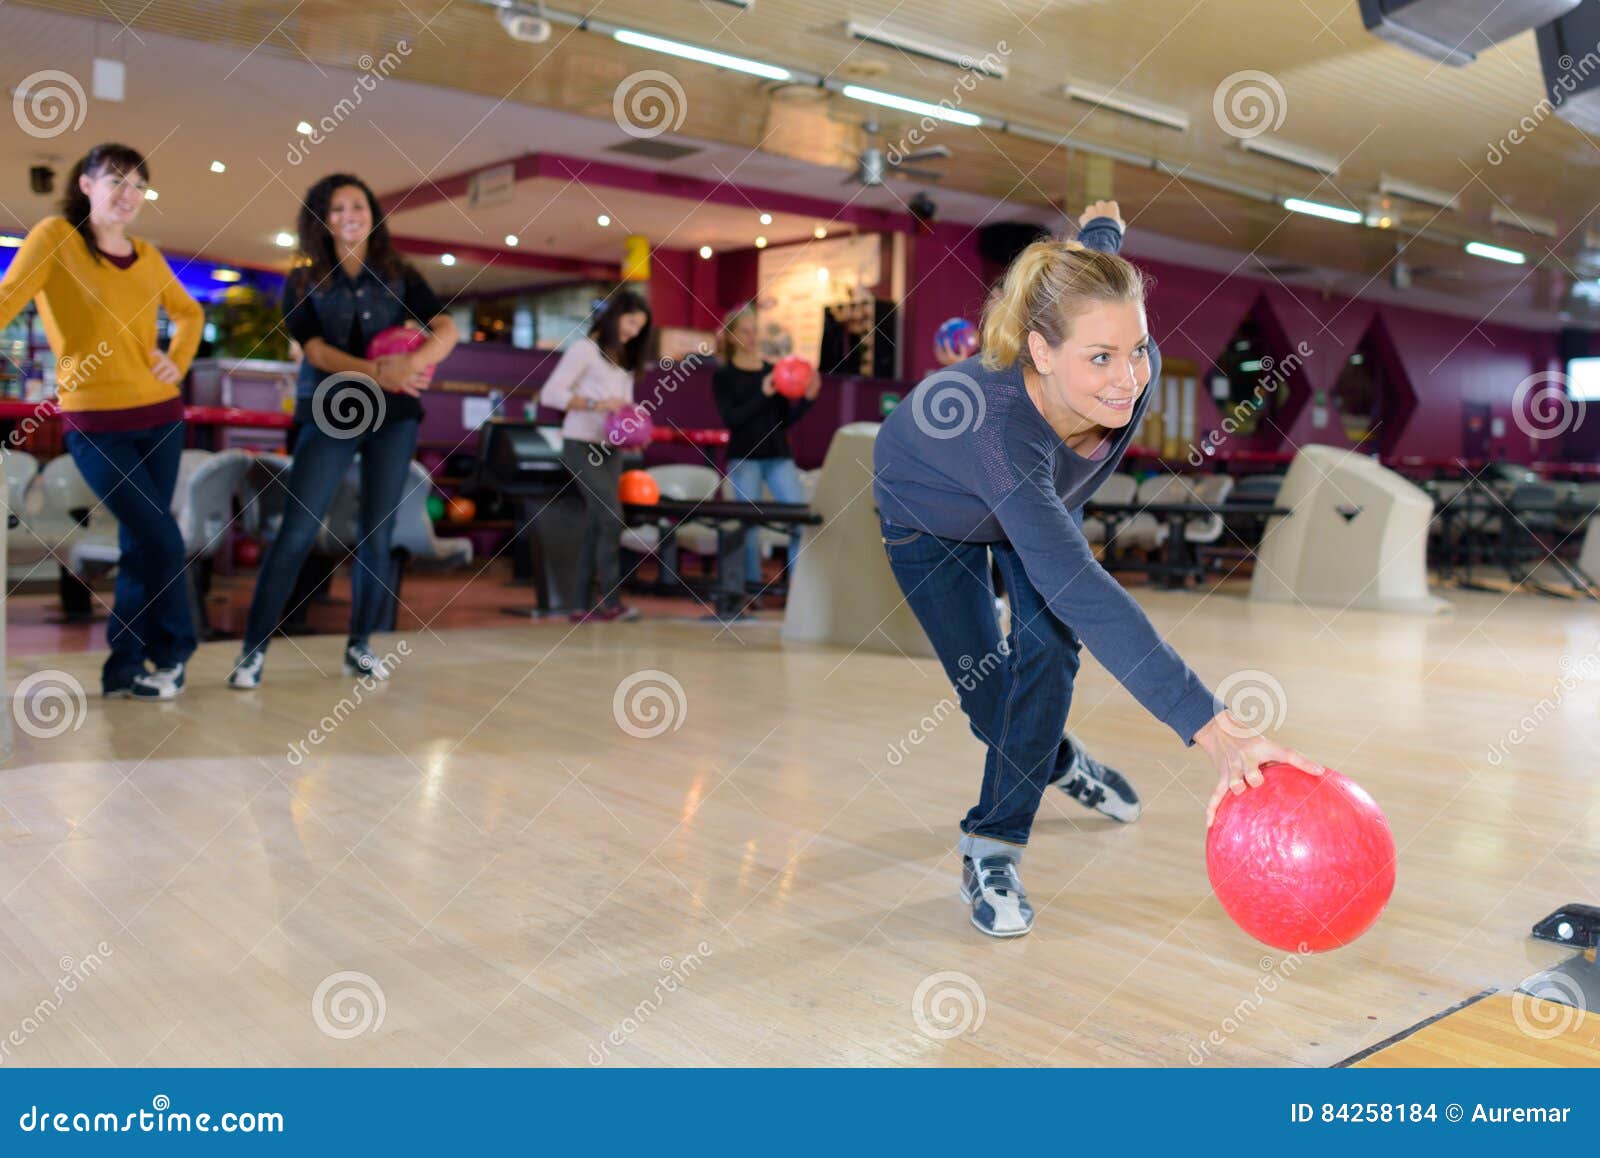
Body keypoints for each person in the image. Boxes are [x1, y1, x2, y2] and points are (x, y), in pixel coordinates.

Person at [872, 201, 1325, 938]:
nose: (1128, 380)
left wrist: (1100, 236)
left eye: (1138, 349)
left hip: (1037, 498)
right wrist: (1214, 729)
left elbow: (1091, 281)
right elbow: (1079, 586)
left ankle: (991, 845)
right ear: (1040, 352)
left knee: (1049, 654)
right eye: (1102, 359)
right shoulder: (997, 428)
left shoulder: (1113, 360)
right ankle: (1057, 762)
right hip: (928, 510)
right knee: (993, 700)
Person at [228, 174, 457, 689]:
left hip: (394, 417)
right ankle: (252, 652)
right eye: (336, 208)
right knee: (298, 531)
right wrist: (380, 372)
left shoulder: (400, 275)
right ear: (321, 219)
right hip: (330, 409)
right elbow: (317, 353)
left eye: (358, 204)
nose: (349, 215)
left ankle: (360, 647)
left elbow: (448, 328)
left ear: (373, 213)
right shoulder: (304, 281)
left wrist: (416, 361)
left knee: (378, 533)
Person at [0, 143, 203, 700]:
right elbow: (8, 297)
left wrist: (177, 360)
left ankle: (123, 668)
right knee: (161, 536)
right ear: (85, 184)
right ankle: (173, 652)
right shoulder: (55, 238)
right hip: (94, 421)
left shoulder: (148, 254)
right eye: (115, 179)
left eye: (138, 185)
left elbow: (190, 313)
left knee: (144, 541)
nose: (127, 193)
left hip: (161, 415)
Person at [539, 291, 652, 623]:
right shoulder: (584, 350)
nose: (633, 331)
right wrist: (595, 405)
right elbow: (551, 393)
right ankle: (612, 601)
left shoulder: (626, 360)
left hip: (611, 449)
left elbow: (625, 406)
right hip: (580, 445)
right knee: (612, 516)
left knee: (596, 522)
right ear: (615, 316)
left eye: (639, 327)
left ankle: (579, 604)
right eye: (631, 322)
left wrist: (635, 435)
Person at [711, 305, 819, 588]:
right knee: (749, 526)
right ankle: (749, 587)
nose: (751, 336)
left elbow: (785, 420)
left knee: (801, 518)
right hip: (744, 458)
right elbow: (732, 419)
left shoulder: (775, 371)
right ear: (732, 337)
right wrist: (762, 393)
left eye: (754, 330)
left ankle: (798, 590)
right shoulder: (724, 375)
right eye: (744, 331)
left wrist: (808, 400)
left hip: (779, 456)